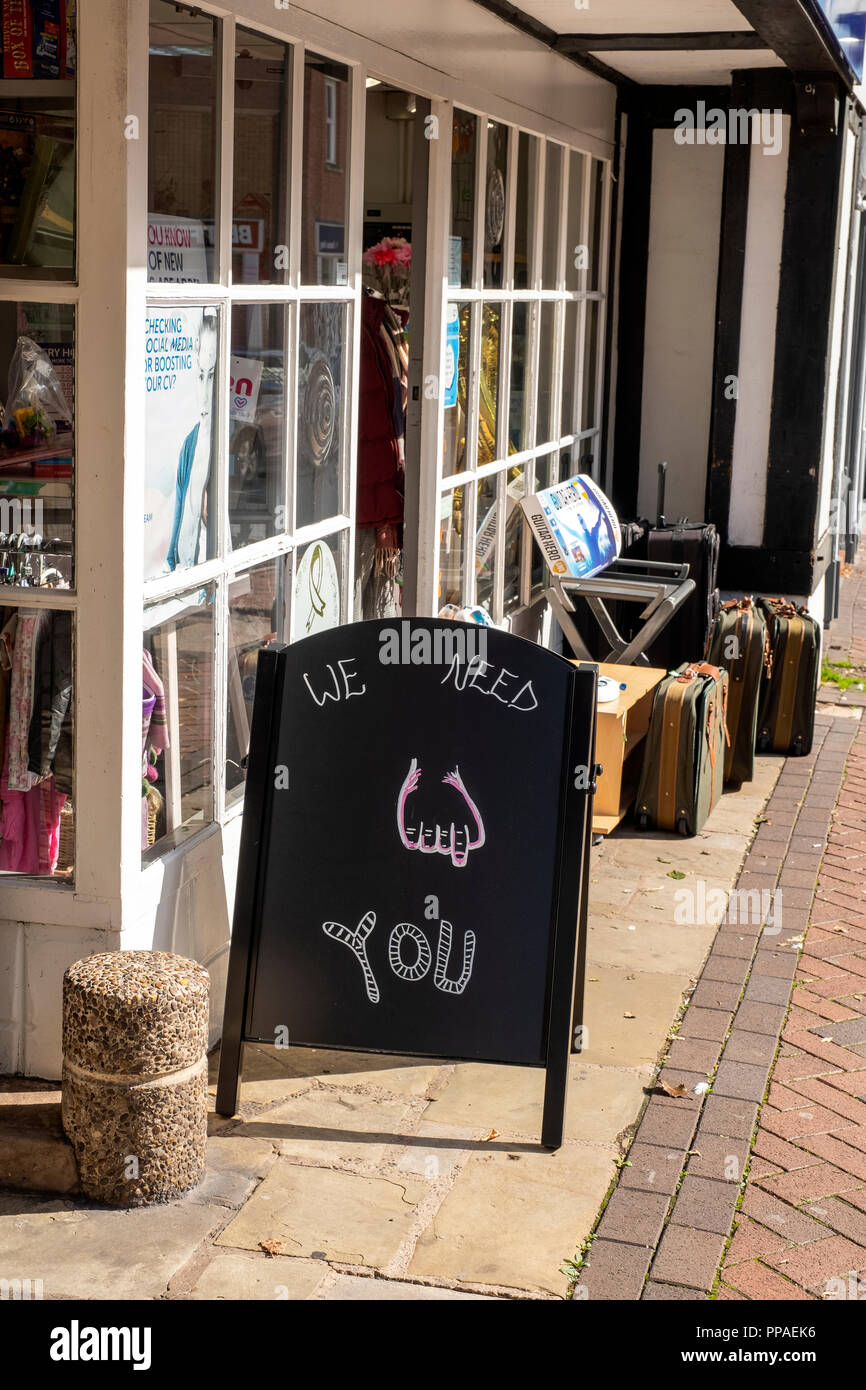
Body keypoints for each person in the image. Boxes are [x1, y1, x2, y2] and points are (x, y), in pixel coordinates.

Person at [166, 310, 218, 571]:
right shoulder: (188, 444)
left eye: (211, 375)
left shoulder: (211, 438)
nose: (205, 396)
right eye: (201, 376)